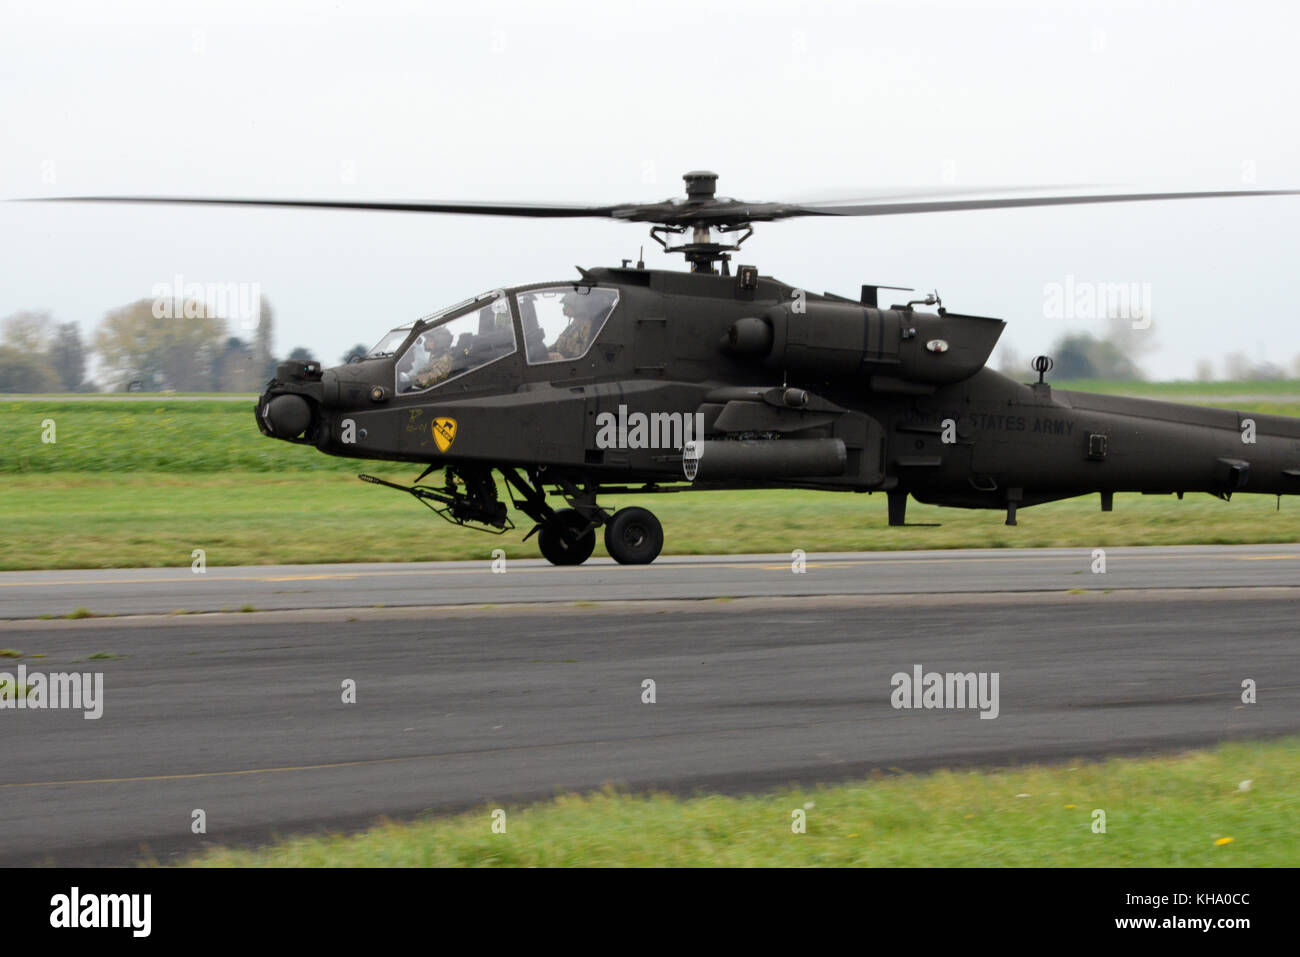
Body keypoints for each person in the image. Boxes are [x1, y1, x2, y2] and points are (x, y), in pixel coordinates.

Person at [552, 290, 596, 359]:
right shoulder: (571, 327)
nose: (564, 309)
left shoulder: (587, 328)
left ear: (578, 307)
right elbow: (555, 346)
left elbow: (585, 354)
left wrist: (562, 358)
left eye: (566, 306)